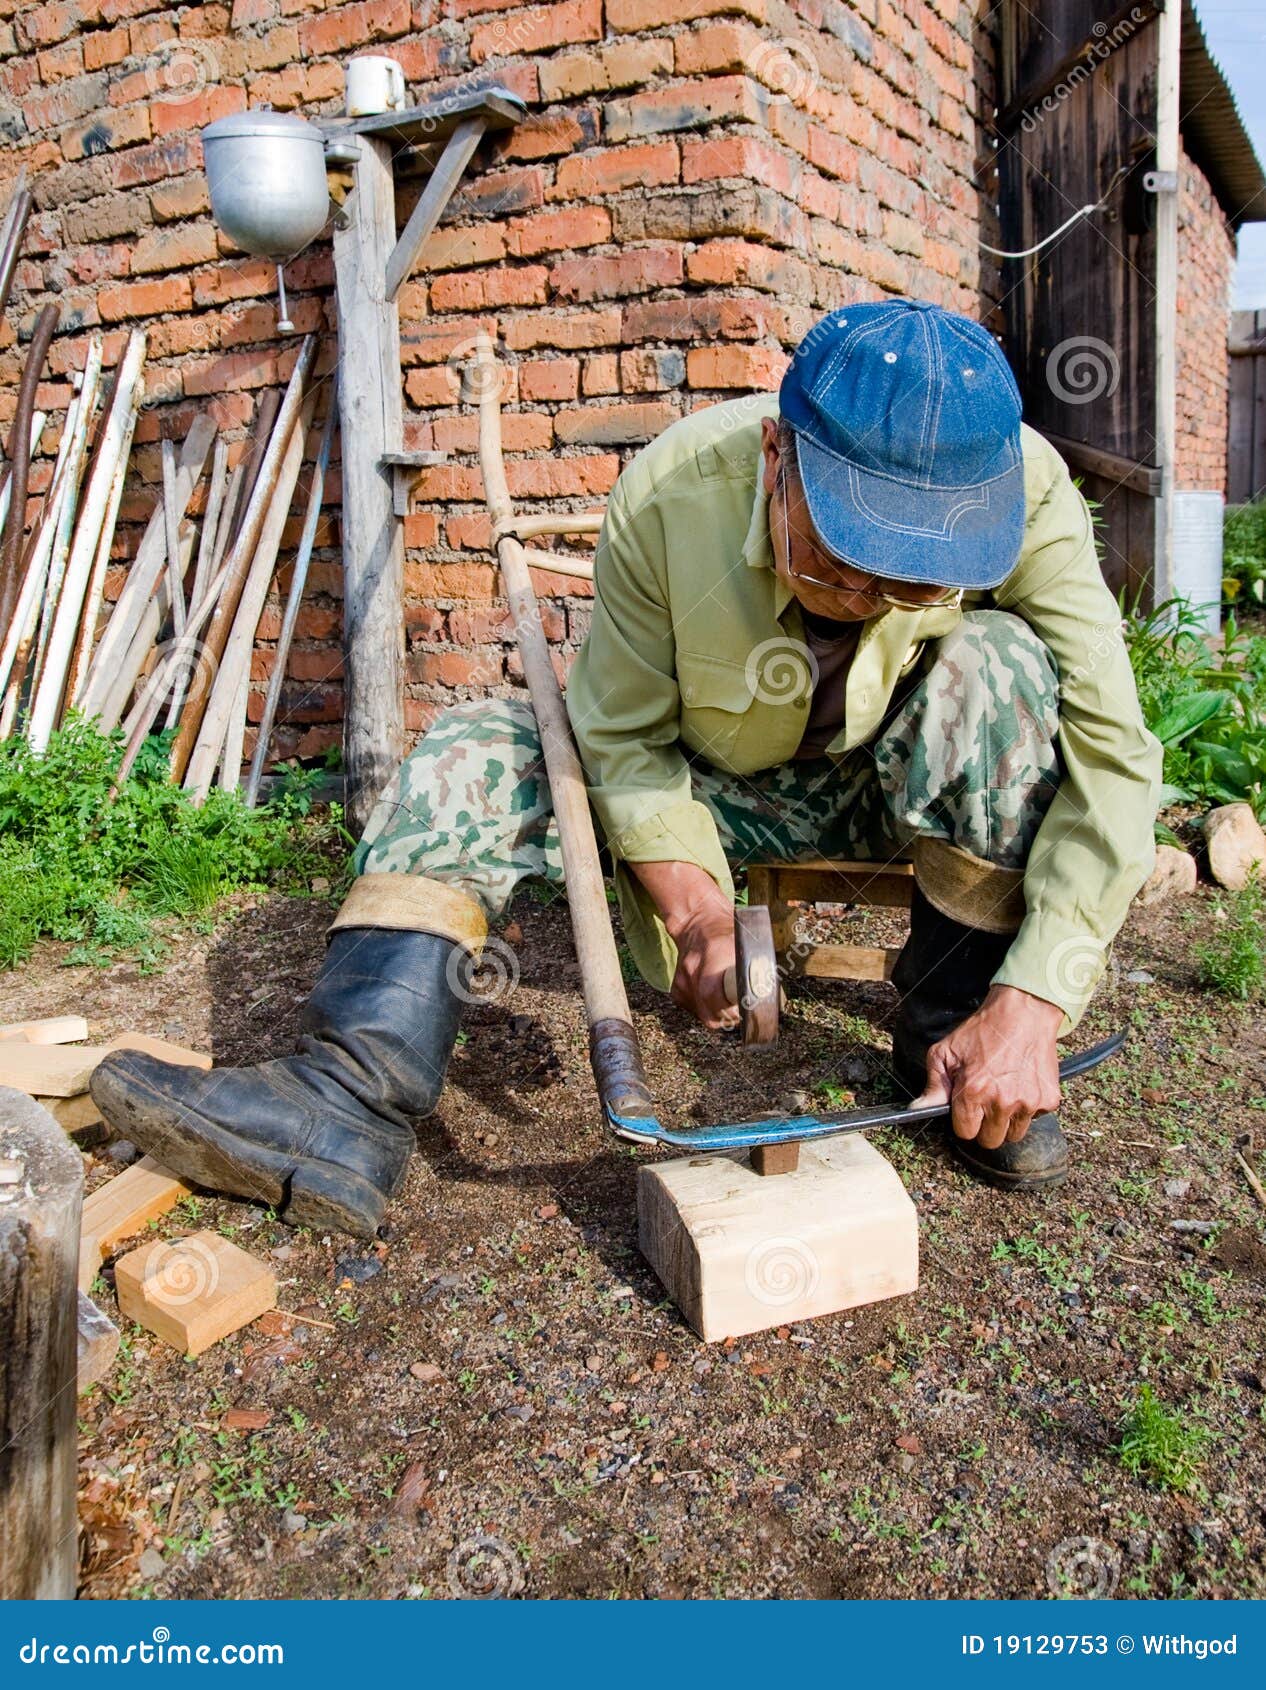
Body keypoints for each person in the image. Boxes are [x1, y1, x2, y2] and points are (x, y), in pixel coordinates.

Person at [91, 301, 1162, 1238]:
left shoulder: (1021, 494)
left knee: (998, 667)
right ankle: (346, 1099)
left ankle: (953, 1046)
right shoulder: (674, 495)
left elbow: (1116, 749)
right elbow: (623, 738)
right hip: (714, 787)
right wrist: (696, 912)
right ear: (779, 453)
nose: (872, 594)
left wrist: (1033, 1006)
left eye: (913, 582)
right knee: (478, 744)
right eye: (842, 556)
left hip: (889, 789)